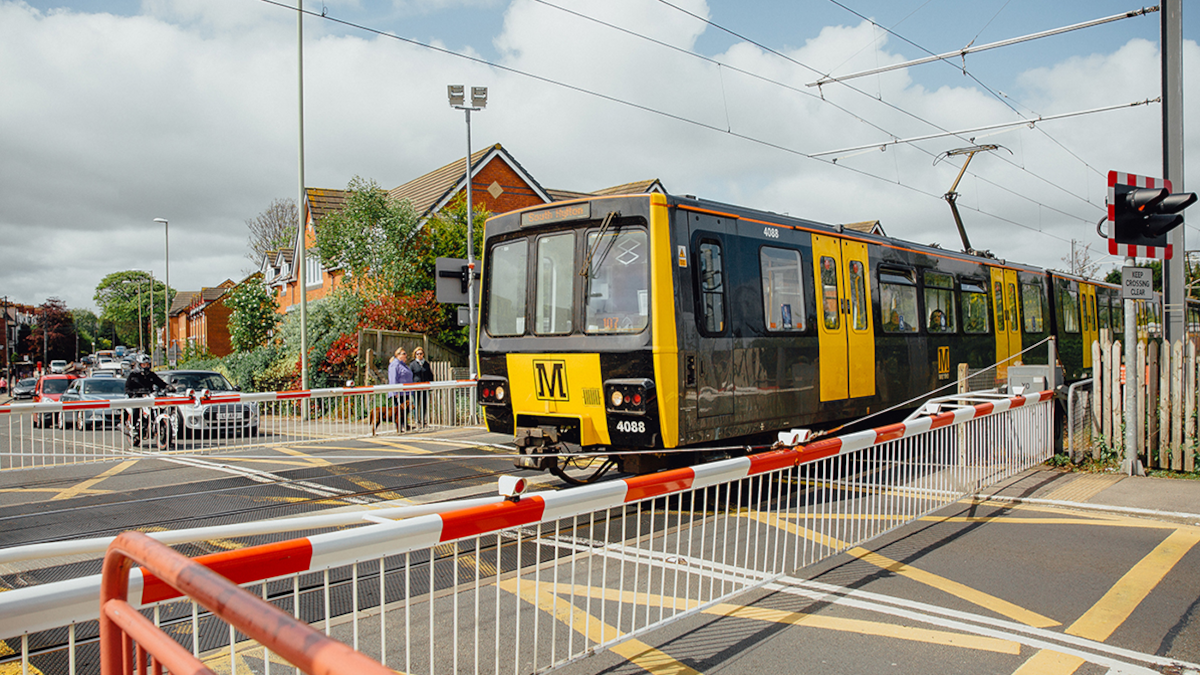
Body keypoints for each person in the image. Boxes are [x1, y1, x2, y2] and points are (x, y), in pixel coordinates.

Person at [124, 355, 168, 446]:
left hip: (148, 397)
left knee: (157, 407)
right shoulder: (133, 375)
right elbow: (127, 388)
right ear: (139, 365)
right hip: (137, 397)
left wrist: (168, 387)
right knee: (136, 408)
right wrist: (134, 392)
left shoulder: (151, 375)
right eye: (144, 365)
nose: (146, 366)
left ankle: (154, 424)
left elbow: (160, 382)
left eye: (147, 364)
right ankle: (133, 428)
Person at [388, 347, 413, 433]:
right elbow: (393, 379)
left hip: (405, 392)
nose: (406, 355)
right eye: (404, 353)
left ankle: (405, 424)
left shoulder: (403, 364)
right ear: (398, 355)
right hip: (399, 392)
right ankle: (399, 427)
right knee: (398, 410)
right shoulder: (394, 365)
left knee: (405, 410)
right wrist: (395, 391)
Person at [408, 346, 433, 428]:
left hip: (425, 386)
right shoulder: (412, 364)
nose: (419, 355)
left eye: (421, 354)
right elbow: (410, 376)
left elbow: (430, 375)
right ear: (415, 355)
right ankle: (416, 420)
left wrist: (430, 384)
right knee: (416, 403)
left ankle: (423, 420)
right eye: (417, 354)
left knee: (424, 404)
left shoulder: (426, 364)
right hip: (416, 386)